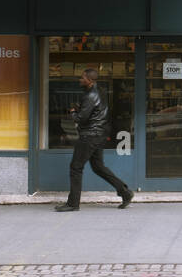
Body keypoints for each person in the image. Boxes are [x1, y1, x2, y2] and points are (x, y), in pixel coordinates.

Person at [53, 67, 133, 212]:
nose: (80, 80)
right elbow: (93, 112)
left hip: (89, 135)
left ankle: (73, 204)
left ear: (89, 80)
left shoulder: (90, 95)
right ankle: (125, 192)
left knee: (76, 167)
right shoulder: (100, 92)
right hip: (99, 135)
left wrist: (72, 113)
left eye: (82, 78)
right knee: (98, 167)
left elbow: (81, 119)